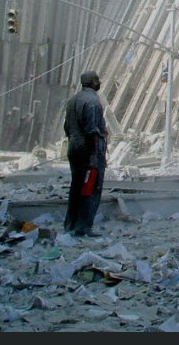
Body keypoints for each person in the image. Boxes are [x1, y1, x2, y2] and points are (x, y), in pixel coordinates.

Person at [63, 69, 108, 237]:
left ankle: (70, 224)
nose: (100, 83)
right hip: (90, 150)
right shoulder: (93, 102)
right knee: (91, 187)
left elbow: (67, 127)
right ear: (94, 82)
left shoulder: (73, 100)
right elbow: (91, 130)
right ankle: (83, 227)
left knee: (76, 186)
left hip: (73, 147)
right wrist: (93, 155)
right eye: (98, 80)